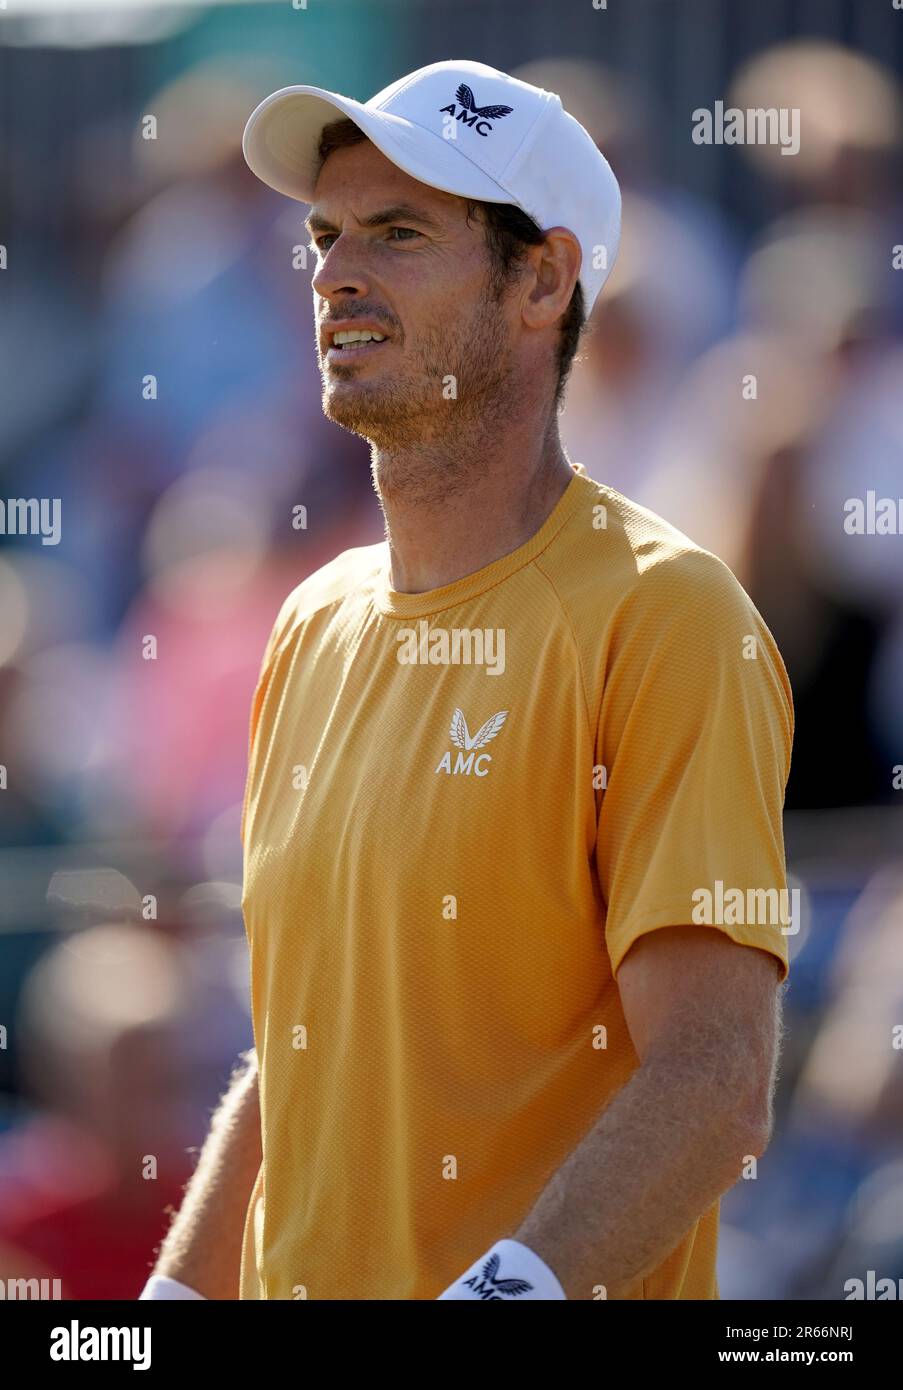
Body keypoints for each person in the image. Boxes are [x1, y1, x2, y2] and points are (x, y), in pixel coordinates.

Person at [141, 59, 793, 1302]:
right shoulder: (311, 621)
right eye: (326, 234)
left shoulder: (669, 613)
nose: (335, 272)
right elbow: (308, 1046)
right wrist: (172, 1302)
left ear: (543, 279)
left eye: (399, 233)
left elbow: (714, 1082)